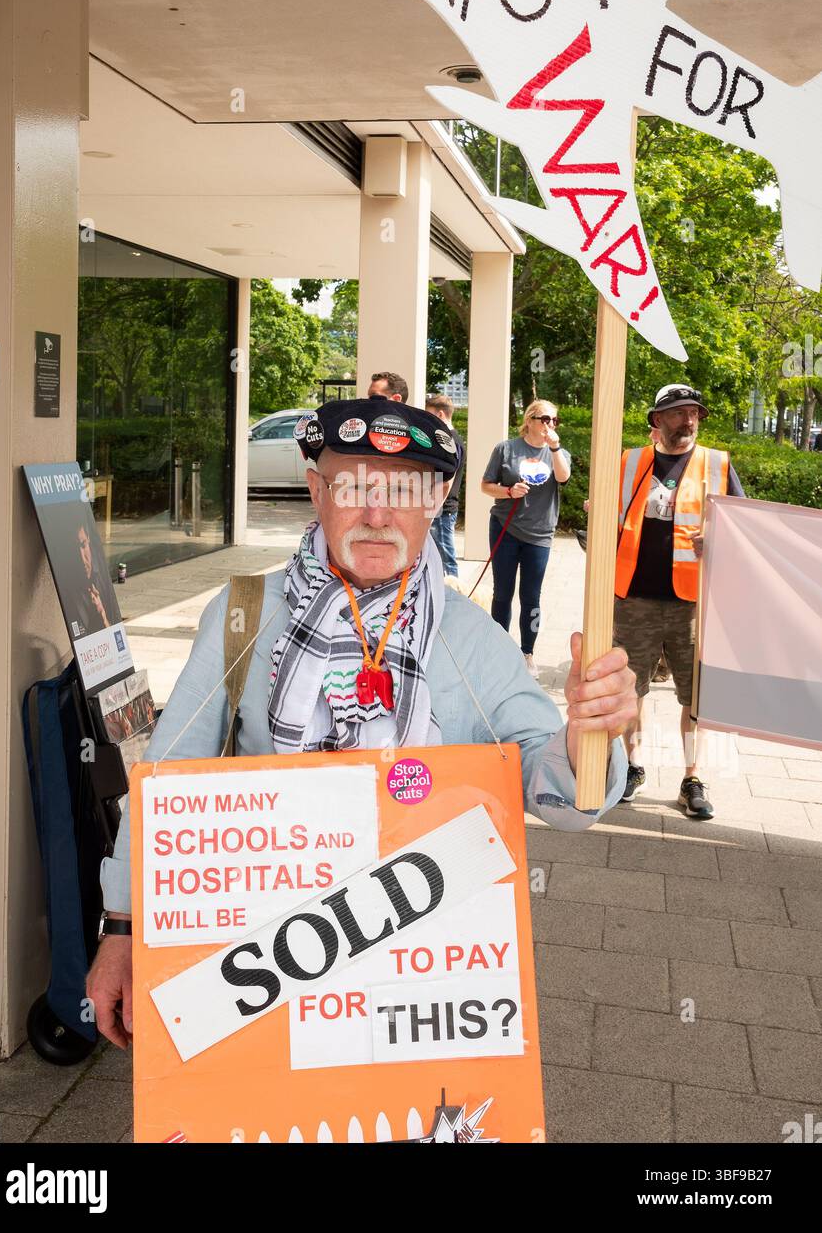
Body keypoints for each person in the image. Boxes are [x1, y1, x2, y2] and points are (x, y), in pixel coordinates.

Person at [87, 397, 635, 1049]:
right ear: (316, 489)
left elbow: (564, 800)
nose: (377, 515)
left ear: (437, 500)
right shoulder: (242, 614)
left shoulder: (471, 638)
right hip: (262, 966)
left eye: (404, 491)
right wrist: (122, 927)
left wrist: (590, 736)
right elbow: (164, 778)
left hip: (416, 977)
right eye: (352, 487)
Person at [613, 384, 745, 820]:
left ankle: (692, 778)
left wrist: (720, 538)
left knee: (696, 695)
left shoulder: (716, 463)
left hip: (693, 603)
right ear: (657, 420)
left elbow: (741, 522)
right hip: (634, 597)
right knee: (632, 688)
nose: (688, 421)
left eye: (694, 413)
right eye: (678, 413)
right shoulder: (630, 461)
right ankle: (632, 766)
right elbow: (609, 515)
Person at [480, 401, 571, 678]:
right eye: (545, 418)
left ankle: (527, 653)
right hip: (505, 528)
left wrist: (554, 448)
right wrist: (508, 491)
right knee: (502, 592)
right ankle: (497, 651)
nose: (550, 424)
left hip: (540, 533)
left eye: (554, 420)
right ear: (529, 420)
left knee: (531, 596)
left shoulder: (557, 452)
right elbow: (486, 485)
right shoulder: (506, 448)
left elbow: (563, 477)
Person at [425, 392, 465, 576]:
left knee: (446, 560)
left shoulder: (448, 441)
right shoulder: (452, 439)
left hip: (442, 508)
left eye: (430, 414)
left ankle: (452, 590)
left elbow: (447, 480)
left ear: (440, 414)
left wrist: (433, 509)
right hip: (442, 507)